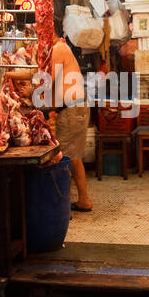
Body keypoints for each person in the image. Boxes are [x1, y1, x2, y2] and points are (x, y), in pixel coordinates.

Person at [48, 17, 92, 212]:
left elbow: (48, 79)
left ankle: (61, 204)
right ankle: (83, 200)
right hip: (73, 107)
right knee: (73, 156)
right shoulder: (58, 48)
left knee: (64, 156)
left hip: (71, 109)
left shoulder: (58, 49)